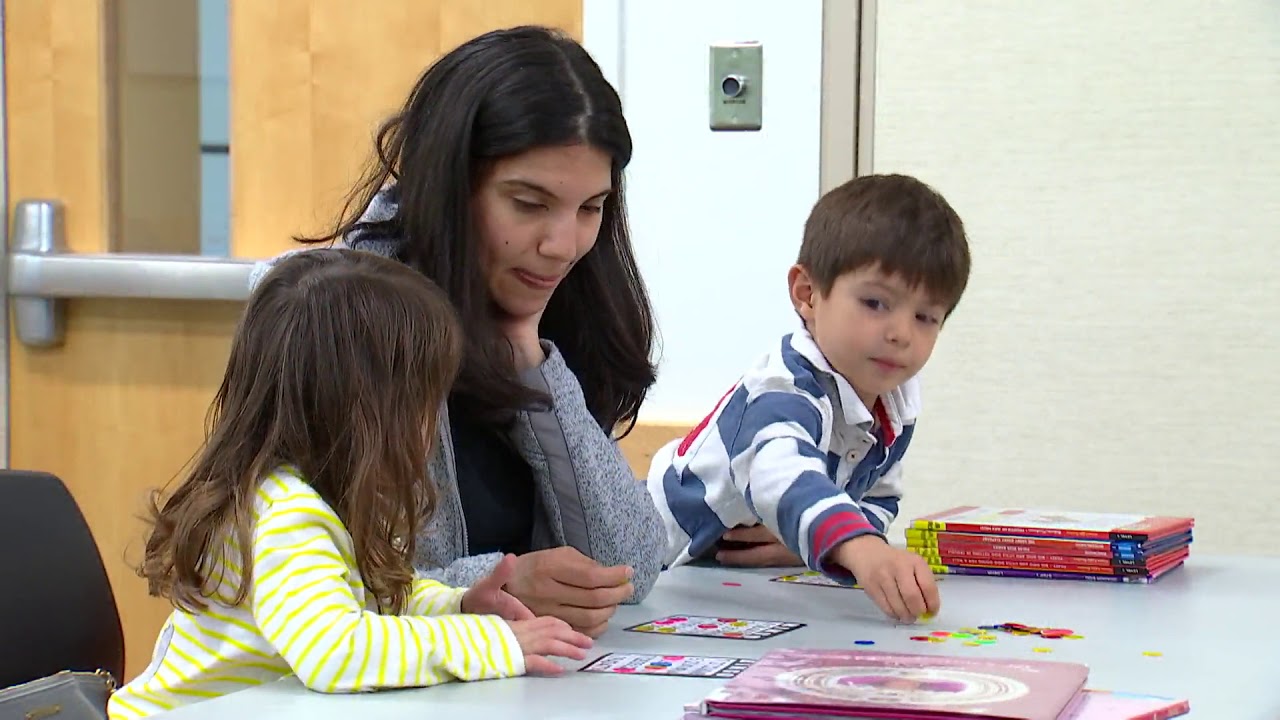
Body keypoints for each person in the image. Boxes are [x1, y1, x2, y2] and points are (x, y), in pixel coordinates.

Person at [251, 25, 664, 638]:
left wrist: (532, 361)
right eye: (528, 204)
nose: (563, 245)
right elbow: (331, 592)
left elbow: (625, 569)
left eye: (590, 208)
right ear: (448, 185)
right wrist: (490, 586)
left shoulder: (562, 303)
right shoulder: (341, 315)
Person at [109, 250, 594, 719]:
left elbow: (369, 605)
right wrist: (494, 644)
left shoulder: (329, 495)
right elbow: (336, 650)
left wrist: (458, 605)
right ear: (369, 414)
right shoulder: (287, 513)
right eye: (426, 400)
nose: (433, 421)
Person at [646, 174, 972, 623]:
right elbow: (781, 475)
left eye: (925, 316)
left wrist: (809, 541)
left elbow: (878, 498)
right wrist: (861, 549)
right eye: (875, 303)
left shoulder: (893, 400)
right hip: (656, 566)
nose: (900, 334)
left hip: (719, 588)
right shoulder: (783, 386)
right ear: (807, 294)